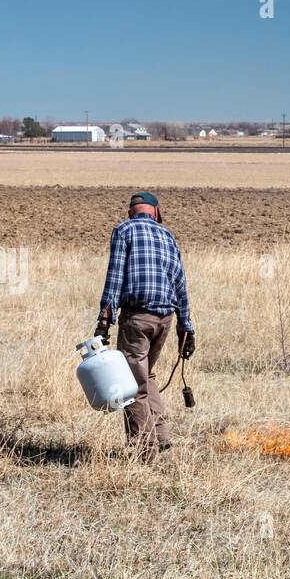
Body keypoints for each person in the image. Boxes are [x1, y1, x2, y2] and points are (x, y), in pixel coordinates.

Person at [95, 191, 196, 452]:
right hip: (166, 319)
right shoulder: (168, 236)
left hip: (137, 318)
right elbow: (181, 284)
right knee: (146, 374)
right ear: (156, 212)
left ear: (131, 212)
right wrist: (186, 328)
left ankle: (144, 448)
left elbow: (114, 277)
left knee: (131, 383)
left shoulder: (123, 231)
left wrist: (104, 320)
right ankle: (161, 436)